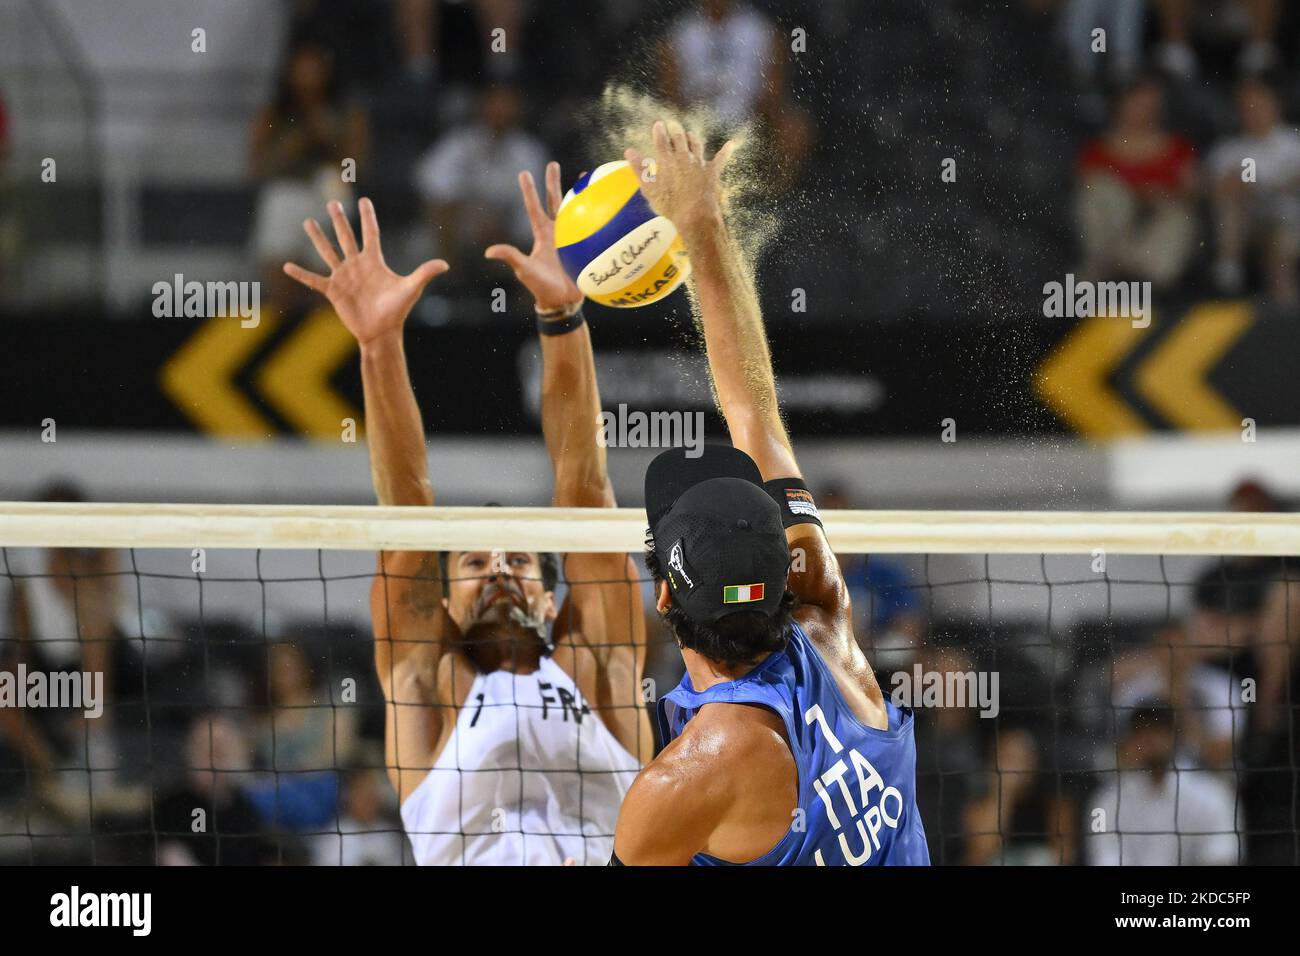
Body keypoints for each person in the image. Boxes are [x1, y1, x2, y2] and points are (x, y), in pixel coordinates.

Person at [282, 173, 649, 865]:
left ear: (551, 592)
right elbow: (407, 509)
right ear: (443, 599)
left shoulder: (596, 663)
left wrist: (562, 316)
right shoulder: (429, 679)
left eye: (519, 560)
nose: (500, 570)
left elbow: (585, 491)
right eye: (475, 562)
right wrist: (378, 343)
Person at [611, 121, 929, 866]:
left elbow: (754, 415)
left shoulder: (688, 777)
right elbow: (754, 412)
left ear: (665, 601)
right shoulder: (826, 621)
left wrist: (700, 228)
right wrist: (704, 223)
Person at [1087, 704, 1240, 865]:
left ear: (1175, 737)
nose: (1151, 741)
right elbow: (1106, 858)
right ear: (1130, 740)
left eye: (1159, 731)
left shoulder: (1212, 795)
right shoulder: (1107, 801)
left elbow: (1220, 857)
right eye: (1142, 732)